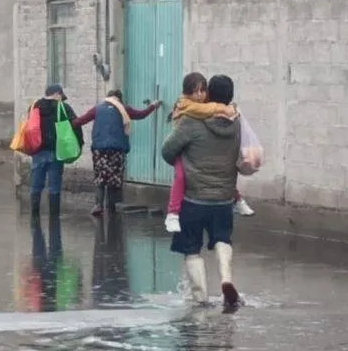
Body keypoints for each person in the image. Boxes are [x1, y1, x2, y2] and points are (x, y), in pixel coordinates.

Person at [161, 74, 243, 312]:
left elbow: (167, 150)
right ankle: (226, 278)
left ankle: (201, 298)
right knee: (222, 239)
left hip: (193, 200)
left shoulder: (191, 122)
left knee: (191, 249)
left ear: (208, 94)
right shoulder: (236, 122)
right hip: (224, 199)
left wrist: (184, 161)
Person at [164, 72, 255, 234]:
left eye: (202, 90)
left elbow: (166, 151)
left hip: (197, 197)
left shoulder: (204, 114)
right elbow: (206, 109)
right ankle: (172, 213)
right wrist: (227, 108)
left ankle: (238, 199)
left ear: (209, 92)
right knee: (180, 177)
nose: (199, 95)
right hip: (221, 197)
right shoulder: (190, 107)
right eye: (195, 91)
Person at [73, 91, 162, 217]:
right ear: (119, 99)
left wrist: (63, 124)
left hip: (100, 149)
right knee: (114, 178)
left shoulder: (97, 109)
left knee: (100, 176)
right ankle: (111, 207)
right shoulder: (124, 109)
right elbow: (141, 114)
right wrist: (153, 106)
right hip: (116, 149)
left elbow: (79, 121)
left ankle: (98, 205)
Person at [28, 84, 86, 219]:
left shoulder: (34, 107)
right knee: (54, 187)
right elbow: (76, 126)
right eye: (61, 95)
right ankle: (54, 217)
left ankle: (34, 216)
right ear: (57, 94)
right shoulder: (64, 108)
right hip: (56, 152)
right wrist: (79, 143)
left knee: (36, 186)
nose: (61, 98)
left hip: (38, 153)